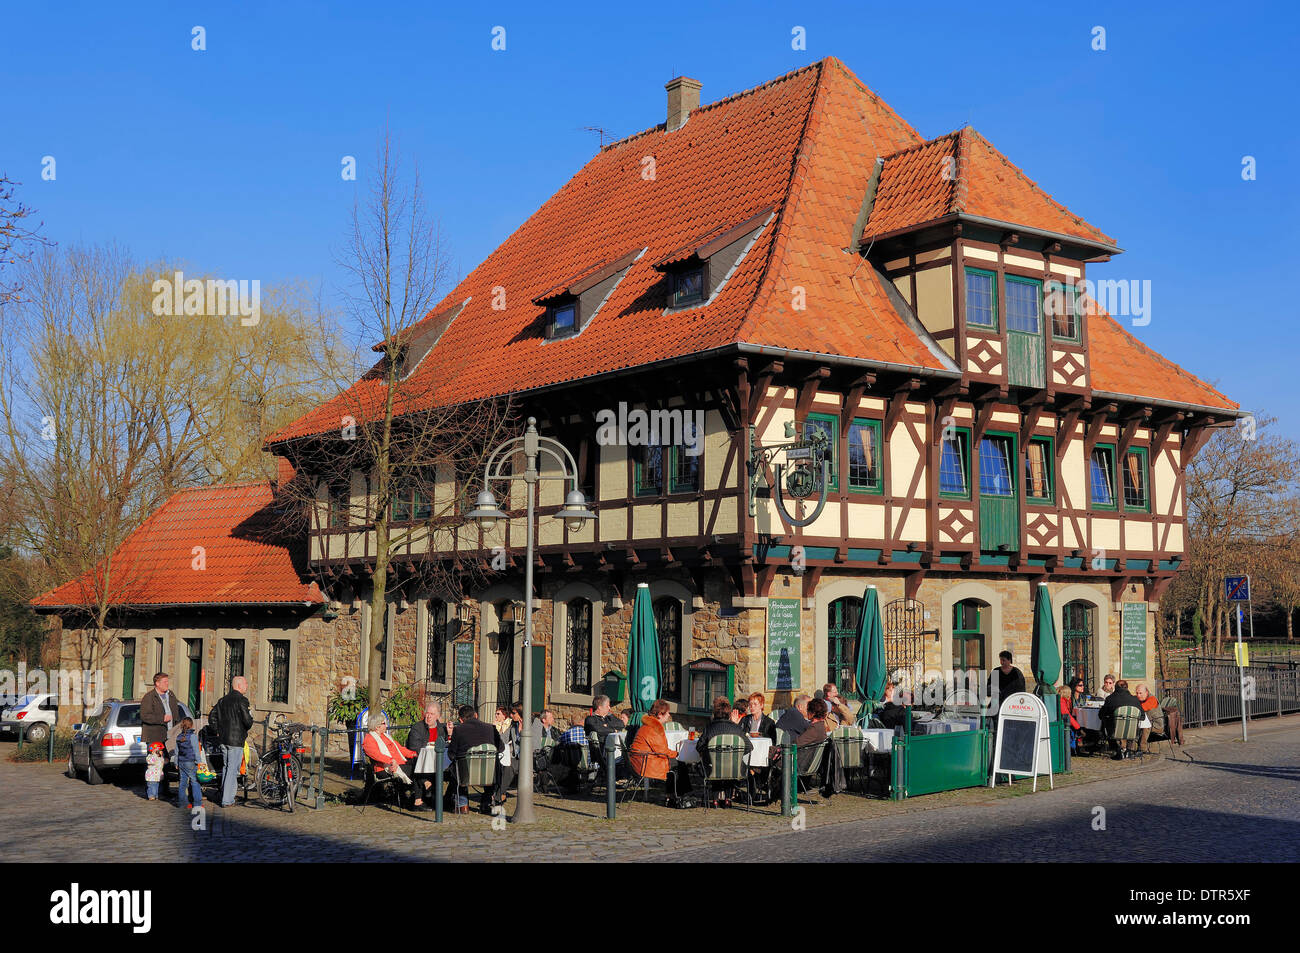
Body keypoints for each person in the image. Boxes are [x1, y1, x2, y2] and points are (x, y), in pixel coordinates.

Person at [629, 699, 691, 807]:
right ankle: (680, 797)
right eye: (667, 713)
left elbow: (661, 750)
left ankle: (673, 796)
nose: (669, 715)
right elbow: (662, 751)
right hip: (645, 764)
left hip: (643, 760)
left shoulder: (650, 726)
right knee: (679, 764)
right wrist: (678, 754)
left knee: (676, 763)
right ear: (660, 715)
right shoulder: (653, 729)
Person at [696, 696, 753, 807]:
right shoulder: (736, 728)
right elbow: (749, 747)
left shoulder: (709, 728)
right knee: (730, 764)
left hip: (713, 768)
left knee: (715, 763)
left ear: (715, 712)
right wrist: (737, 754)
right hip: (734, 769)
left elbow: (699, 746)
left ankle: (715, 799)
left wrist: (710, 753)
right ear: (729, 713)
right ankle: (728, 798)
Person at [447, 705, 504, 814]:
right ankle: (486, 803)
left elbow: (451, 754)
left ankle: (463, 805)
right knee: (493, 764)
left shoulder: (458, 730)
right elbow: (501, 748)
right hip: (489, 773)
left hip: (466, 773)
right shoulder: (491, 728)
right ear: (476, 715)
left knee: (455, 768)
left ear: (461, 719)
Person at [209, 675, 254, 808]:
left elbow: (212, 717)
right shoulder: (242, 700)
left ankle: (226, 795)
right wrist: (250, 720)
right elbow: (247, 721)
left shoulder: (222, 700)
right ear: (239, 685)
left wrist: (217, 730)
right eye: (245, 684)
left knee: (227, 767)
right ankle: (227, 800)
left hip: (223, 739)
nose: (247, 686)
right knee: (232, 770)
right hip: (235, 739)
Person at [140, 672, 182, 797]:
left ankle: (165, 790)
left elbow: (176, 712)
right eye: (164, 682)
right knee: (155, 765)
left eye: (167, 681)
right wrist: (161, 718)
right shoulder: (149, 697)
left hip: (170, 735)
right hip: (155, 736)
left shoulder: (171, 695)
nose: (167, 684)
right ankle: (152, 793)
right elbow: (144, 716)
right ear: (157, 683)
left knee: (166, 764)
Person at [361, 712, 417, 799]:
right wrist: (391, 760)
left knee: (420, 764)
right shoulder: (369, 739)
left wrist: (413, 754)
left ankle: (419, 797)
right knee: (416, 771)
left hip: (400, 763)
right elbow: (377, 755)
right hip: (384, 768)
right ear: (377, 726)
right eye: (384, 723)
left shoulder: (386, 736)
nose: (386, 725)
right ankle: (416, 799)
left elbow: (400, 749)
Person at [405, 701, 450, 809]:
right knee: (417, 762)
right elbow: (414, 748)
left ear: (438, 716)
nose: (429, 716)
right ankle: (422, 792)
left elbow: (448, 745)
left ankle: (448, 799)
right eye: (427, 713)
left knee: (454, 767)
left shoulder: (442, 729)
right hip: (422, 760)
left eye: (432, 714)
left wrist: (450, 734)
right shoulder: (417, 728)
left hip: (438, 761)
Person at [1100, 679, 1140, 759]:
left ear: (1115, 687)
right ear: (1127, 687)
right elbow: (1142, 716)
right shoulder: (1135, 700)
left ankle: (1116, 748)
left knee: (1106, 722)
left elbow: (1101, 715)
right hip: (1132, 732)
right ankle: (1129, 750)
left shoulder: (1110, 699)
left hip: (1114, 731)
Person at [175, 716, 204, 810]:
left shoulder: (178, 737)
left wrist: (176, 763)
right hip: (191, 762)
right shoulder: (193, 736)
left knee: (182, 783)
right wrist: (199, 762)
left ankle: (182, 803)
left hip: (181, 762)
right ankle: (197, 803)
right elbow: (196, 751)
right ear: (191, 725)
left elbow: (176, 752)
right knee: (195, 782)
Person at [1134, 683, 1164, 753]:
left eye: (1140, 693)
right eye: (1137, 693)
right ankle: (1131, 747)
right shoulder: (1141, 699)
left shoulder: (1152, 699)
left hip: (1157, 725)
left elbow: (1142, 708)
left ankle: (1143, 748)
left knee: (1146, 726)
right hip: (1148, 723)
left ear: (1146, 692)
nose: (1138, 695)